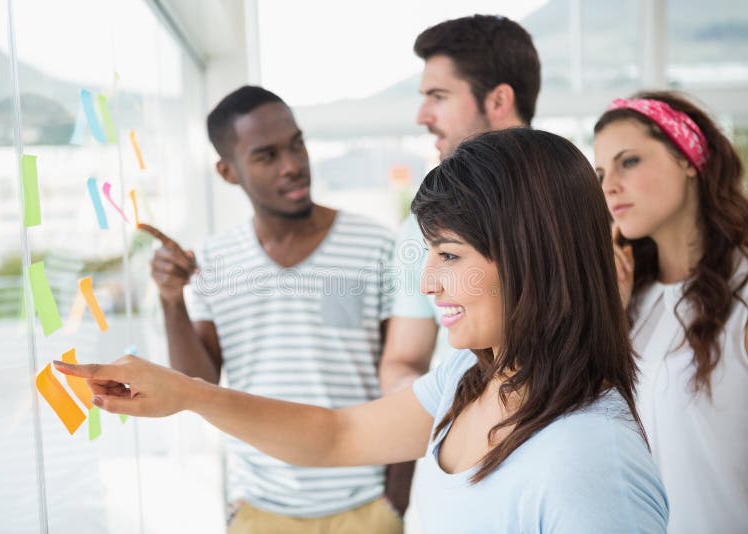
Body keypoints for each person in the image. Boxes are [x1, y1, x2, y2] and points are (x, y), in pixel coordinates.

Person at [57, 129, 669, 533]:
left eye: (450, 257)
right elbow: (337, 435)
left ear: (533, 258)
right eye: (428, 254)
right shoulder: (472, 374)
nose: (428, 284)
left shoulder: (590, 459)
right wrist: (187, 395)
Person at [138, 85, 405, 533]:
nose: (293, 166)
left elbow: (402, 378)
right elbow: (199, 386)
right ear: (228, 172)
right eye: (267, 156)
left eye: (296, 144)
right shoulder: (214, 262)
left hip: (365, 506)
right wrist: (172, 301)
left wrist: (396, 502)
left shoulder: (376, 245)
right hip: (260, 510)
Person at [594, 91, 748, 534]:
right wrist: (611, 315)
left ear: (687, 158)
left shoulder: (742, 295)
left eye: (629, 162)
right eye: (601, 172)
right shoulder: (627, 301)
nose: (609, 186)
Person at [381, 14, 541, 395]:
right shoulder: (421, 225)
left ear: (499, 100)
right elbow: (401, 363)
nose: (423, 116)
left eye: (439, 96)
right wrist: (455, 402)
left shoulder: (587, 209)